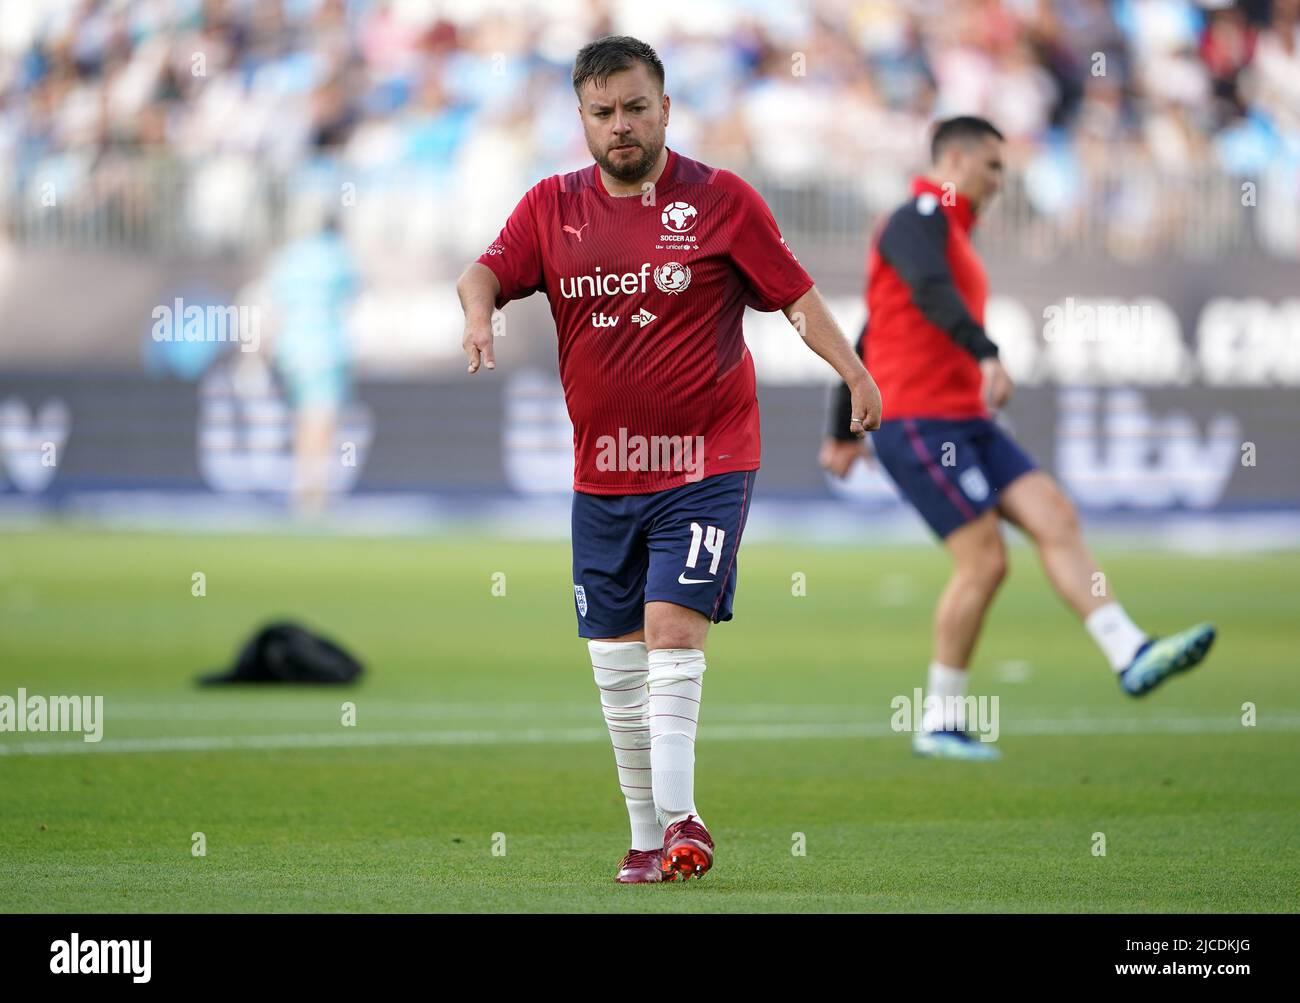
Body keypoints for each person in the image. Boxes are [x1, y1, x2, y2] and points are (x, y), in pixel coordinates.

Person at [457, 36, 881, 881]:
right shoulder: (549, 207)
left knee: (670, 633)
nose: (621, 126)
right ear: (581, 117)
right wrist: (478, 314)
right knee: (615, 668)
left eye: (635, 108)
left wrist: (853, 368)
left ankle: (685, 820)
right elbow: (483, 272)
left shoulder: (722, 200)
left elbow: (794, 296)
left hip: (706, 461)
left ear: (665, 108)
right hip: (602, 471)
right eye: (603, 112)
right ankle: (648, 838)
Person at [821, 116, 1214, 762]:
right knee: (985, 559)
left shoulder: (947, 231)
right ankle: (940, 719)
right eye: (993, 166)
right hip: (917, 419)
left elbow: (869, 327)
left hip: (965, 419)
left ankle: (1129, 650)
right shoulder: (918, 215)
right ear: (953, 158)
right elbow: (926, 291)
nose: (1001, 180)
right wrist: (986, 351)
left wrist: (839, 429)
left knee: (1055, 514)